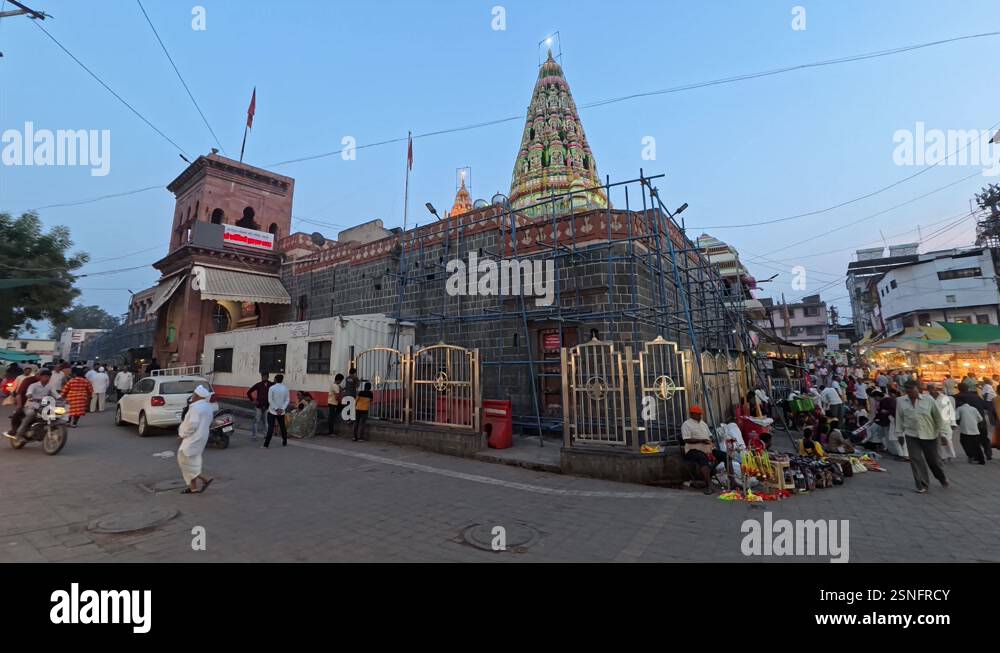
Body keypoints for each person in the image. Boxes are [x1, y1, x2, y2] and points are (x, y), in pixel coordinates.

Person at [896, 380, 947, 494]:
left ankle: (941, 477)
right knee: (915, 459)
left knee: (933, 461)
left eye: (911, 389)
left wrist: (942, 434)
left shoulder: (928, 400)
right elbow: (899, 418)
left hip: (929, 435)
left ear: (918, 389)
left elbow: (938, 417)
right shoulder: (901, 401)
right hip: (911, 435)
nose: (909, 392)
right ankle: (922, 484)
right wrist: (899, 434)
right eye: (907, 390)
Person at [176, 385, 215, 494]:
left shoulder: (196, 408)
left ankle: (205, 479)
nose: (192, 396)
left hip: (193, 437)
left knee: (183, 458)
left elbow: (192, 425)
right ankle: (193, 488)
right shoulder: (208, 407)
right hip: (202, 437)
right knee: (193, 460)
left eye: (193, 394)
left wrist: (182, 434)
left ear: (197, 396)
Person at [681, 405, 722, 494]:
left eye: (700, 414)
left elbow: (710, 435)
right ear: (692, 414)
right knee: (702, 458)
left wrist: (712, 438)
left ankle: (733, 482)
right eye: (698, 414)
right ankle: (709, 485)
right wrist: (701, 440)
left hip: (707, 448)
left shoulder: (703, 423)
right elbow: (686, 439)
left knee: (724, 455)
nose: (700, 416)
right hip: (692, 450)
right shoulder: (686, 424)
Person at [6, 369, 56, 440]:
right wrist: (19, 405)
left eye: (48, 377)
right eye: (44, 376)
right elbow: (19, 393)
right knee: (27, 414)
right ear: (38, 375)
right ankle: (17, 432)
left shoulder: (48, 384)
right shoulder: (29, 381)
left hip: (40, 404)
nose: (47, 378)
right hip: (26, 403)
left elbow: (53, 393)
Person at [928, 383, 957, 462]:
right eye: (929, 389)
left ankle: (949, 456)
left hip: (946, 422)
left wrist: (953, 423)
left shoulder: (944, 398)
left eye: (932, 388)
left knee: (947, 440)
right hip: (933, 422)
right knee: (938, 441)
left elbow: (951, 410)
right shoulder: (928, 398)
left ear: (936, 389)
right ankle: (942, 457)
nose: (931, 390)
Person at [956, 397, 988, 464]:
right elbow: (980, 419)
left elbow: (957, 418)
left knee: (964, 443)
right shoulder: (974, 409)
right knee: (976, 445)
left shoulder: (959, 409)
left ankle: (971, 455)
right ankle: (981, 460)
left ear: (960, 403)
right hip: (975, 430)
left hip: (965, 431)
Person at [263, 374, 289, 448]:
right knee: (282, 427)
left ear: (275, 379)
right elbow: (287, 400)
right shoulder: (285, 388)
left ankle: (266, 444)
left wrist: (276, 408)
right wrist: (282, 409)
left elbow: (270, 400)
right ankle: (284, 442)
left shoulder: (272, 388)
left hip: (272, 411)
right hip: (281, 412)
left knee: (270, 428)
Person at [245, 373, 271, 441]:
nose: (263, 378)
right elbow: (249, 392)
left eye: (265, 377)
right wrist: (252, 400)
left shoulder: (271, 385)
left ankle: (266, 435)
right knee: (256, 421)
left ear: (268, 377)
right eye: (262, 377)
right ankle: (254, 436)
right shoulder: (258, 385)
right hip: (258, 406)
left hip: (267, 406)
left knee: (266, 422)